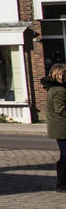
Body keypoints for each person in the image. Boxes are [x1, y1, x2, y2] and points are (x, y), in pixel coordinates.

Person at [43, 63, 66, 191]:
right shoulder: (59, 90)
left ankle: (62, 184)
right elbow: (60, 109)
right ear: (59, 75)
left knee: (64, 155)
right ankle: (62, 184)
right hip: (62, 128)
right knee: (65, 156)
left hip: (59, 127)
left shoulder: (53, 89)